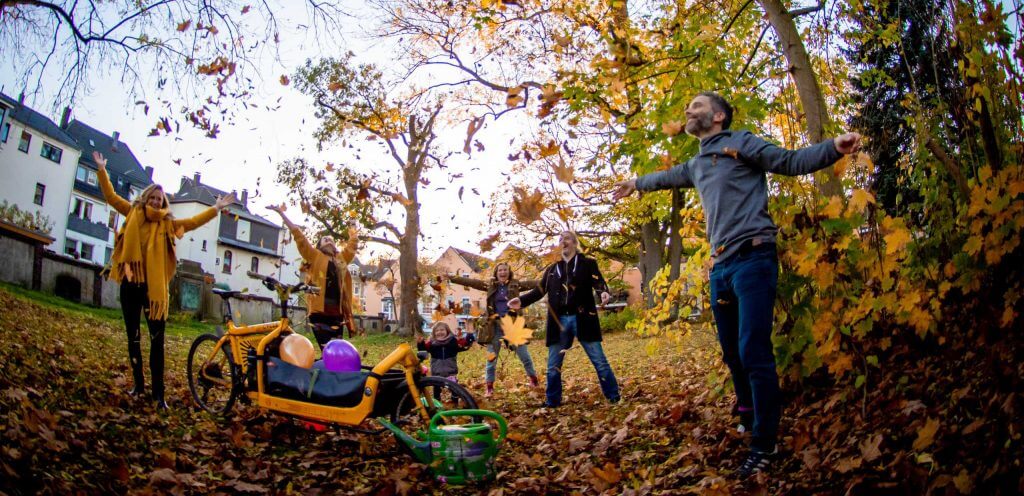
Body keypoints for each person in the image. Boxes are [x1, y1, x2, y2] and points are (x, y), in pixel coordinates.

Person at [611, 91, 862, 479]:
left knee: (753, 350)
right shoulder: (696, 164)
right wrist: (635, 183)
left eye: (695, 105)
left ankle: (766, 442)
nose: (687, 110)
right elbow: (667, 177)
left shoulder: (740, 142)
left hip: (754, 257)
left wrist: (833, 148)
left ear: (718, 116)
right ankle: (747, 415)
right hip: (721, 267)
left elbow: (790, 161)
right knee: (732, 351)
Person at [95, 151, 234, 410]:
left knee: (157, 342)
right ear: (147, 197)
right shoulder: (132, 212)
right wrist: (103, 170)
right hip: (131, 286)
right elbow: (111, 197)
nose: (157, 202)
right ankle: (138, 384)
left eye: (161, 199)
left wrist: (215, 209)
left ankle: (159, 394)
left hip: (154, 292)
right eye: (154, 198)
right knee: (133, 338)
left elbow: (191, 223)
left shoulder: (168, 225)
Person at [508, 231, 620, 408]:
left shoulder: (587, 263)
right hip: (558, 322)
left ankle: (613, 397)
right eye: (560, 239)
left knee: (599, 360)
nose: (562, 242)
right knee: (553, 365)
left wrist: (603, 292)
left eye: (566, 238)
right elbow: (539, 291)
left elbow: (599, 282)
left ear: (575, 244)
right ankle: (552, 401)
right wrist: (521, 301)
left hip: (583, 318)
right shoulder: (552, 269)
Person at [268, 205, 358, 349]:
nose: (329, 240)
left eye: (331, 240)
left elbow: (352, 245)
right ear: (319, 245)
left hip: (337, 314)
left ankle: (332, 371)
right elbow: (299, 237)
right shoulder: (314, 256)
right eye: (325, 239)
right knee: (327, 348)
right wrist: (282, 214)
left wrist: (353, 226)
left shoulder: (341, 259)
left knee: (336, 349)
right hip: (319, 314)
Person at [448, 263, 542, 397]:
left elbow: (534, 284)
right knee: (491, 359)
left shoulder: (516, 284)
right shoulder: (490, 285)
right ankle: (489, 387)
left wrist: (550, 279)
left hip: (513, 325)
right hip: (495, 326)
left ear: (509, 272)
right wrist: (453, 278)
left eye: (505, 270)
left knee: (524, 356)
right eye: (500, 270)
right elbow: (472, 282)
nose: (503, 272)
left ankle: (534, 380)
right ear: (496, 272)